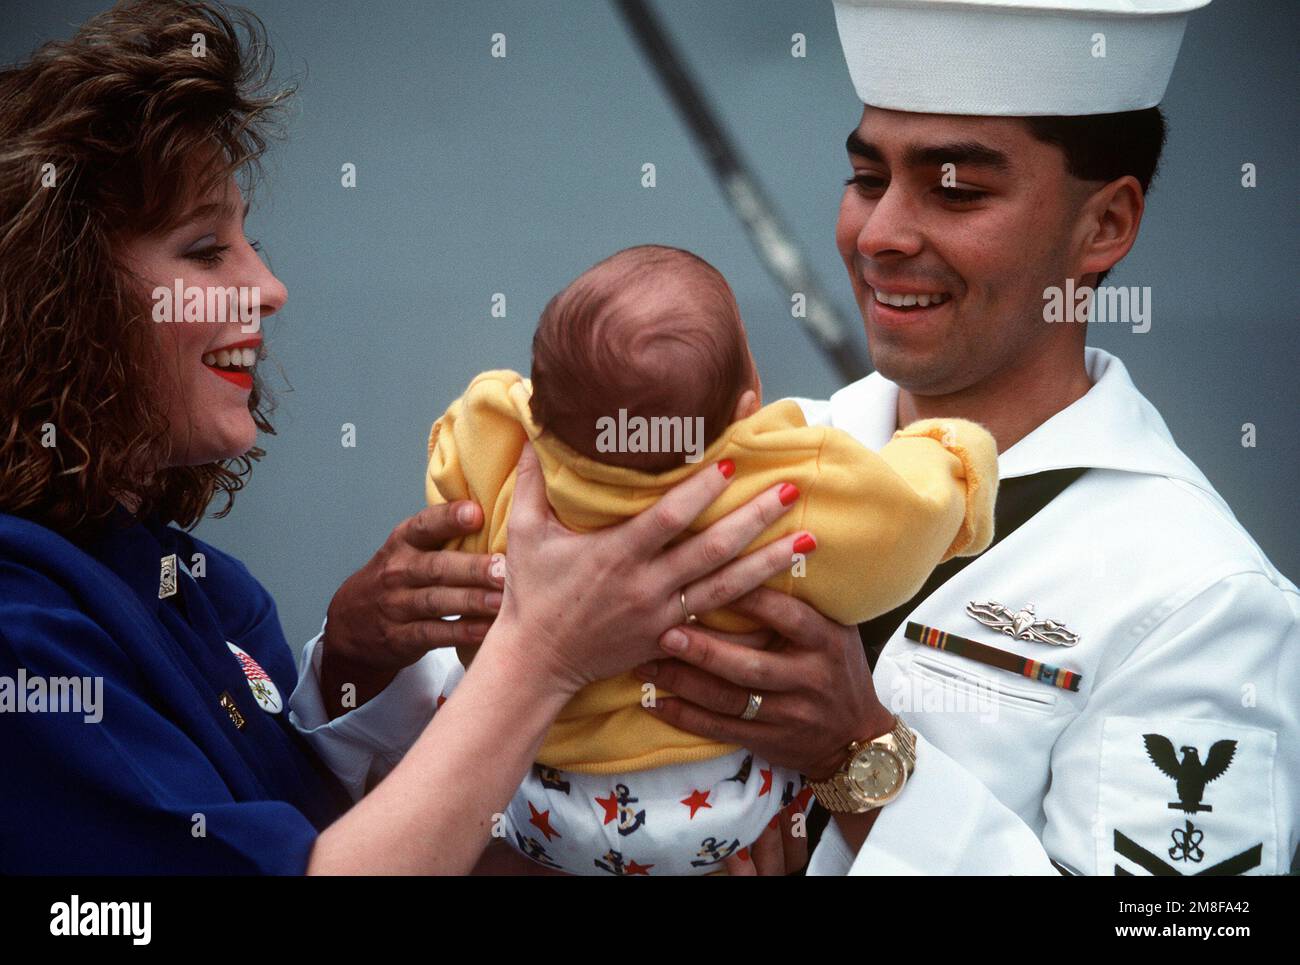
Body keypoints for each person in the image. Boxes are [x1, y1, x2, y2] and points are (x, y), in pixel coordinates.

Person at [303, 0, 1298, 876]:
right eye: (868, 178)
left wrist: (863, 762)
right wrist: (355, 652)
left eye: (955, 191)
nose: (880, 233)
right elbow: (416, 768)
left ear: (1104, 224)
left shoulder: (1199, 597)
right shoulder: (733, 464)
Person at [0, 0, 801, 875]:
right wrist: (547, 651)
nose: (268, 287)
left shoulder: (200, 591)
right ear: (62, 299)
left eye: (249, 241)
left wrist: (354, 663)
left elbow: (350, 835)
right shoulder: (21, 636)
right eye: (204, 250)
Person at [410, 244, 996, 874]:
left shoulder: (508, 447)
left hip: (530, 797)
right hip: (711, 815)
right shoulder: (782, 483)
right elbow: (902, 526)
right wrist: (949, 451)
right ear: (749, 409)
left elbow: (457, 453)